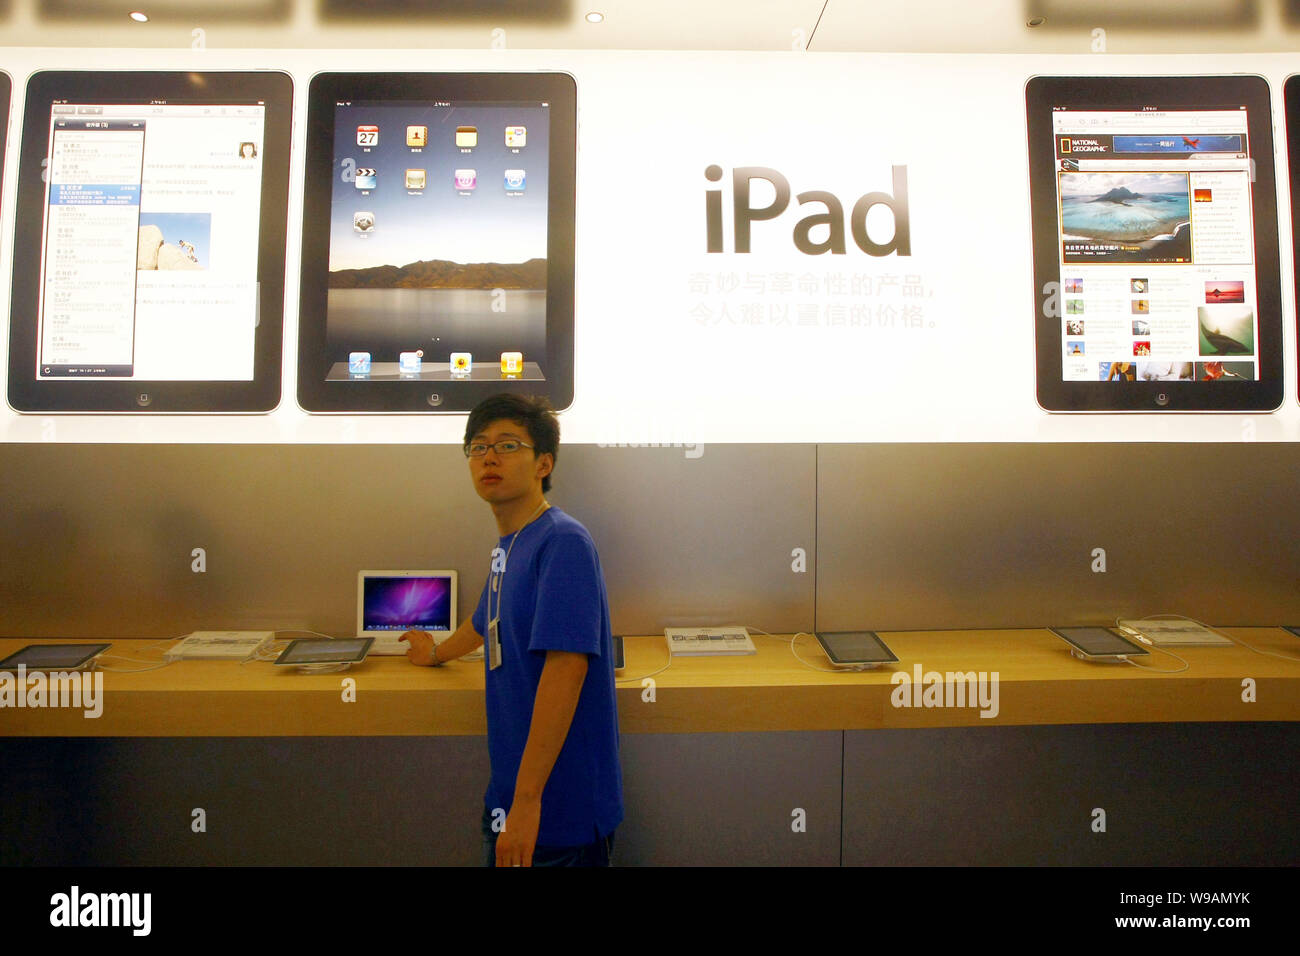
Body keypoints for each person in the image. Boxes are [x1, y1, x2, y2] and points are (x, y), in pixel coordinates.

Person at [402, 393, 623, 867]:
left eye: (507, 445)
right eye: (478, 447)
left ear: (544, 463)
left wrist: (526, 806)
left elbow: (566, 669)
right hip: (511, 795)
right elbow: (484, 622)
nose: (489, 457)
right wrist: (434, 655)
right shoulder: (512, 545)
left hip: (555, 808)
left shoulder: (562, 542)